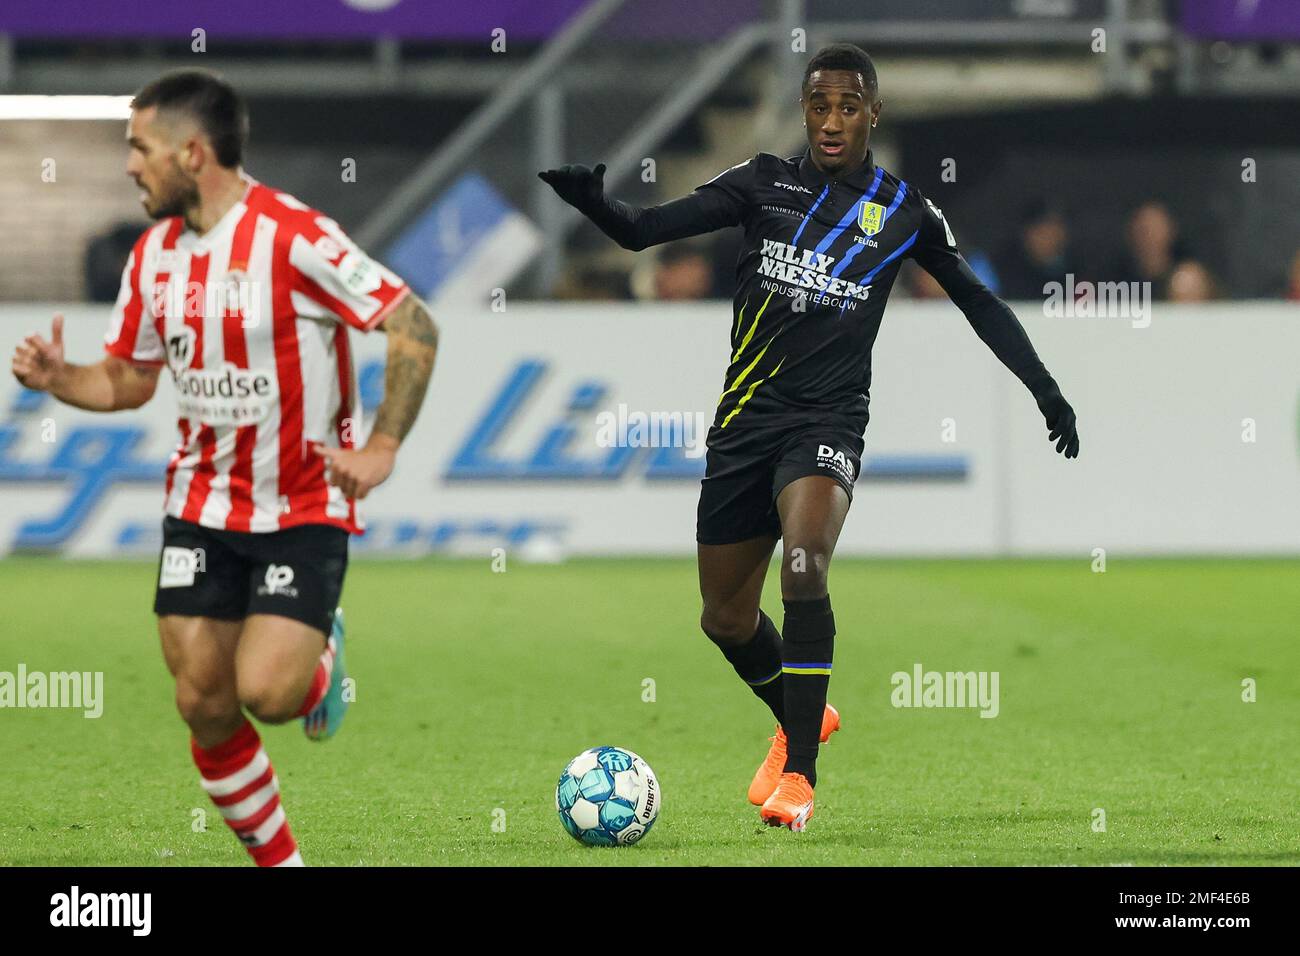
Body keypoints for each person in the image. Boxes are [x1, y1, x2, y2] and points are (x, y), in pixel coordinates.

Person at [539, 43, 1079, 832]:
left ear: (873, 114)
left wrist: (1045, 388)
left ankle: (800, 775)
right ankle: (803, 713)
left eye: (848, 107)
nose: (832, 122)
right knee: (723, 617)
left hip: (826, 425)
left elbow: (980, 303)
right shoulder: (763, 182)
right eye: (819, 106)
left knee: (804, 560)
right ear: (804, 109)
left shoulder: (903, 211)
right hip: (744, 423)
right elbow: (643, 232)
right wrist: (593, 202)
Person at [10, 70, 439, 866]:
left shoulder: (294, 236)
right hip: (201, 506)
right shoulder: (152, 258)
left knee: (267, 695)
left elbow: (411, 321)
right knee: (202, 703)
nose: (131, 165)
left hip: (302, 504)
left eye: (139, 148)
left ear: (193, 151)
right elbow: (130, 379)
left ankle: (318, 662)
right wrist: (60, 379)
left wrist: (381, 447)